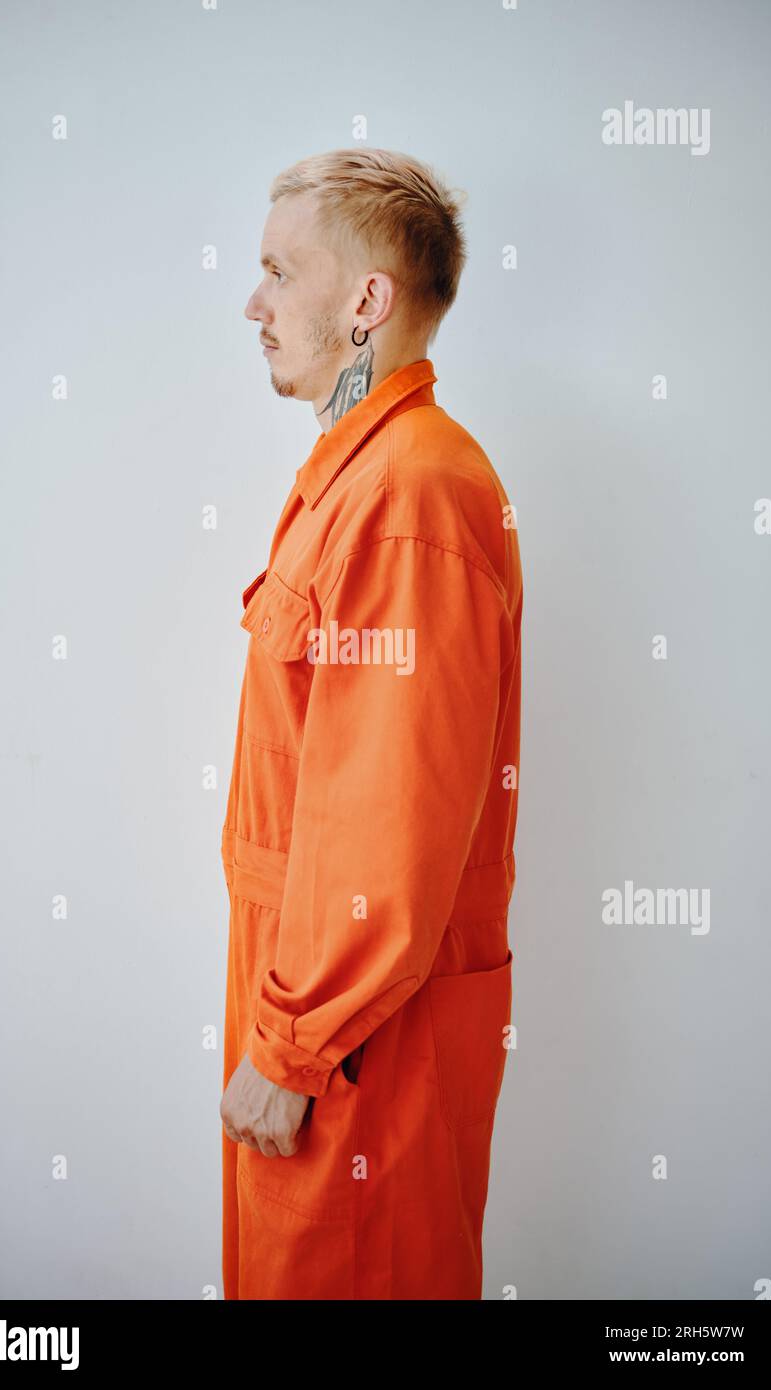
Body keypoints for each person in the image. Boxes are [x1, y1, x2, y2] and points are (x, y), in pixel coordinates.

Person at [219, 148, 522, 1300]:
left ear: (363, 301)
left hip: (356, 1047)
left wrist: (292, 1048)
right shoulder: (351, 479)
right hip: (319, 1009)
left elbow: (386, 823)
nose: (252, 302)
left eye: (277, 271)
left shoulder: (408, 499)